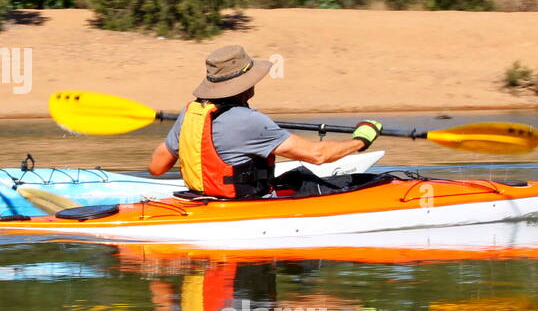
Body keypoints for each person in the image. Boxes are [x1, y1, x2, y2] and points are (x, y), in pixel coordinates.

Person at [147, 45, 382, 198]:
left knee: (294, 179)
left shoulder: (191, 113)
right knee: (308, 179)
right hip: (242, 205)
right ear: (245, 84)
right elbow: (317, 155)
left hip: (199, 198)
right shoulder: (251, 121)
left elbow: (156, 168)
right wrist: (362, 140)